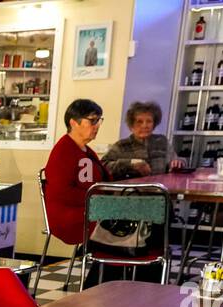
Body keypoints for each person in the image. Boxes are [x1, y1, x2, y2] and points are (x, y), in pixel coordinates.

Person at [42, 98, 108, 248]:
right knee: (126, 218)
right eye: (92, 120)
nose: (97, 125)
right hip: (71, 216)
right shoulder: (63, 151)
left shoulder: (85, 150)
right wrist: (98, 202)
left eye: (99, 120)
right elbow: (62, 191)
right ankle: (105, 264)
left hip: (88, 210)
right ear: (73, 123)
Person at [102, 102, 185, 179]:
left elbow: (176, 160)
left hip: (159, 190)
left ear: (154, 124)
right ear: (131, 125)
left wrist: (178, 162)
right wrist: (130, 164)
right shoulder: (121, 145)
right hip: (130, 192)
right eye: (139, 122)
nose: (145, 125)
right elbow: (103, 166)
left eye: (149, 121)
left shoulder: (161, 141)